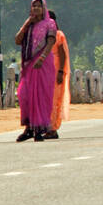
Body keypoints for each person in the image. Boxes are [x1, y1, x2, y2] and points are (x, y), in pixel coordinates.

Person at [14, 0, 57, 142]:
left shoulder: (49, 23)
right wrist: (27, 23)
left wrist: (42, 57)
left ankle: (39, 128)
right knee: (24, 94)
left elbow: (51, 41)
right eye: (34, 6)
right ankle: (28, 127)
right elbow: (18, 40)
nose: (36, 9)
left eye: (39, 6)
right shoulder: (29, 25)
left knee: (39, 95)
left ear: (44, 8)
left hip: (42, 63)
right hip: (28, 64)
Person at [46, 11, 69, 139]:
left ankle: (52, 128)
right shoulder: (43, 36)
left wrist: (60, 71)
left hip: (56, 70)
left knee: (54, 100)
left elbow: (63, 55)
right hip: (45, 71)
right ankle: (46, 126)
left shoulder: (59, 35)